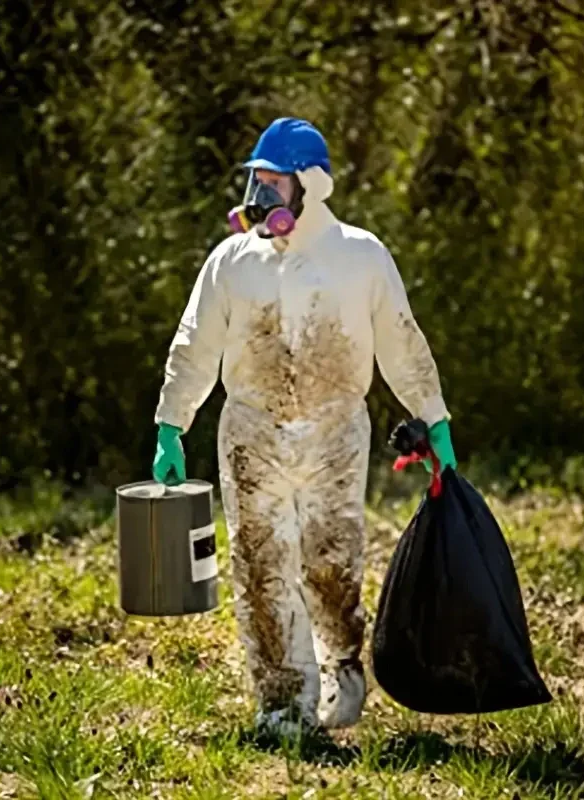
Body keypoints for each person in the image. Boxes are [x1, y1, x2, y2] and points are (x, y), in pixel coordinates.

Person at [152, 117, 456, 735]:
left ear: (310, 187)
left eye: (273, 183)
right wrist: (170, 425)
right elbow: (194, 345)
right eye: (255, 183)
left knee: (331, 561)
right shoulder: (232, 260)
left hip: (335, 434)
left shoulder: (362, 256)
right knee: (261, 568)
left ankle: (342, 669)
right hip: (251, 434)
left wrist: (435, 418)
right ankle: (283, 703)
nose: (259, 197)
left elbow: (402, 342)